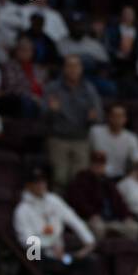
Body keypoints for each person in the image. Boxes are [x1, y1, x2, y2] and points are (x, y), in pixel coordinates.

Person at [13, 167, 98, 275]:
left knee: (90, 261)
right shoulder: (22, 210)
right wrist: (49, 247)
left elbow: (73, 220)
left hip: (60, 251)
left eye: (42, 181)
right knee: (35, 255)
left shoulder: (54, 200)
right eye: (36, 182)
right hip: (39, 253)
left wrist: (89, 241)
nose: (41, 185)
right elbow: (27, 240)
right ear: (28, 185)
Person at [43, 55, 103, 188]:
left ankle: (75, 208)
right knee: (60, 177)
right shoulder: (52, 88)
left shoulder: (89, 89)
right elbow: (43, 114)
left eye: (76, 66)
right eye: (69, 66)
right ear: (64, 69)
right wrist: (51, 111)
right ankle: (57, 207)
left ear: (81, 69)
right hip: (58, 138)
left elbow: (98, 116)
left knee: (80, 179)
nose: (73, 69)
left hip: (81, 139)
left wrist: (93, 117)